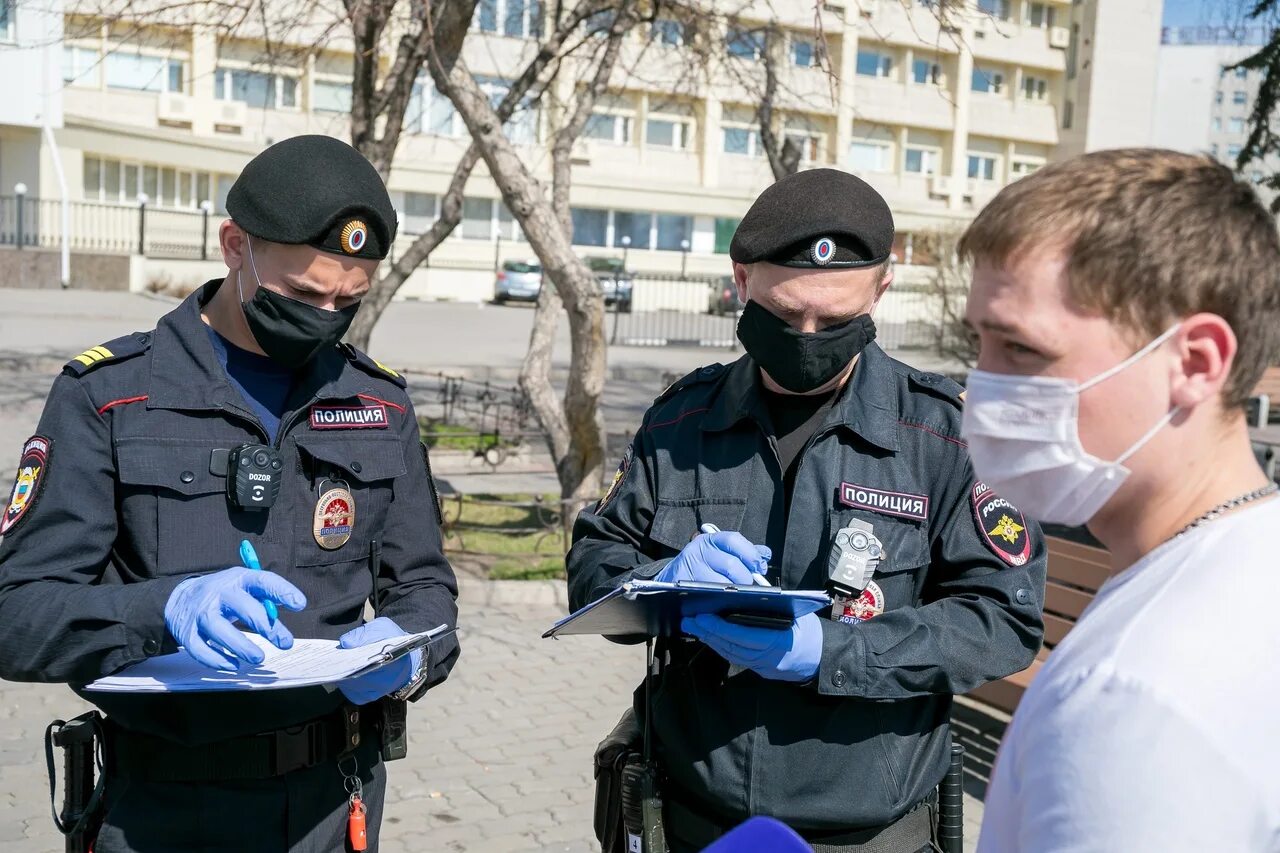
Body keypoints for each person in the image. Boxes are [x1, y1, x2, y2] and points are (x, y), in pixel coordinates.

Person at [0, 135, 460, 852]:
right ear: (234, 244)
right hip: (160, 809)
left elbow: (425, 587)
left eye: (349, 300)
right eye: (303, 294)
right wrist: (162, 609)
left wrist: (413, 654)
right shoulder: (111, 396)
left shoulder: (380, 403)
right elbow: (16, 614)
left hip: (333, 806)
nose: (325, 316)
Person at [567, 168, 1047, 852]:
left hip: (868, 831)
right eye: (785, 316)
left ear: (881, 289)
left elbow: (1003, 618)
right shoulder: (682, 420)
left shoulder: (944, 437)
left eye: (837, 320)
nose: (808, 336)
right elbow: (593, 563)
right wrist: (662, 579)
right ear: (742, 281)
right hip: (690, 817)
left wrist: (833, 649)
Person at [964, 149, 1280, 851]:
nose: (980, 388)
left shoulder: (1135, 696)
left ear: (1195, 363)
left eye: (1021, 350)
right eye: (976, 343)